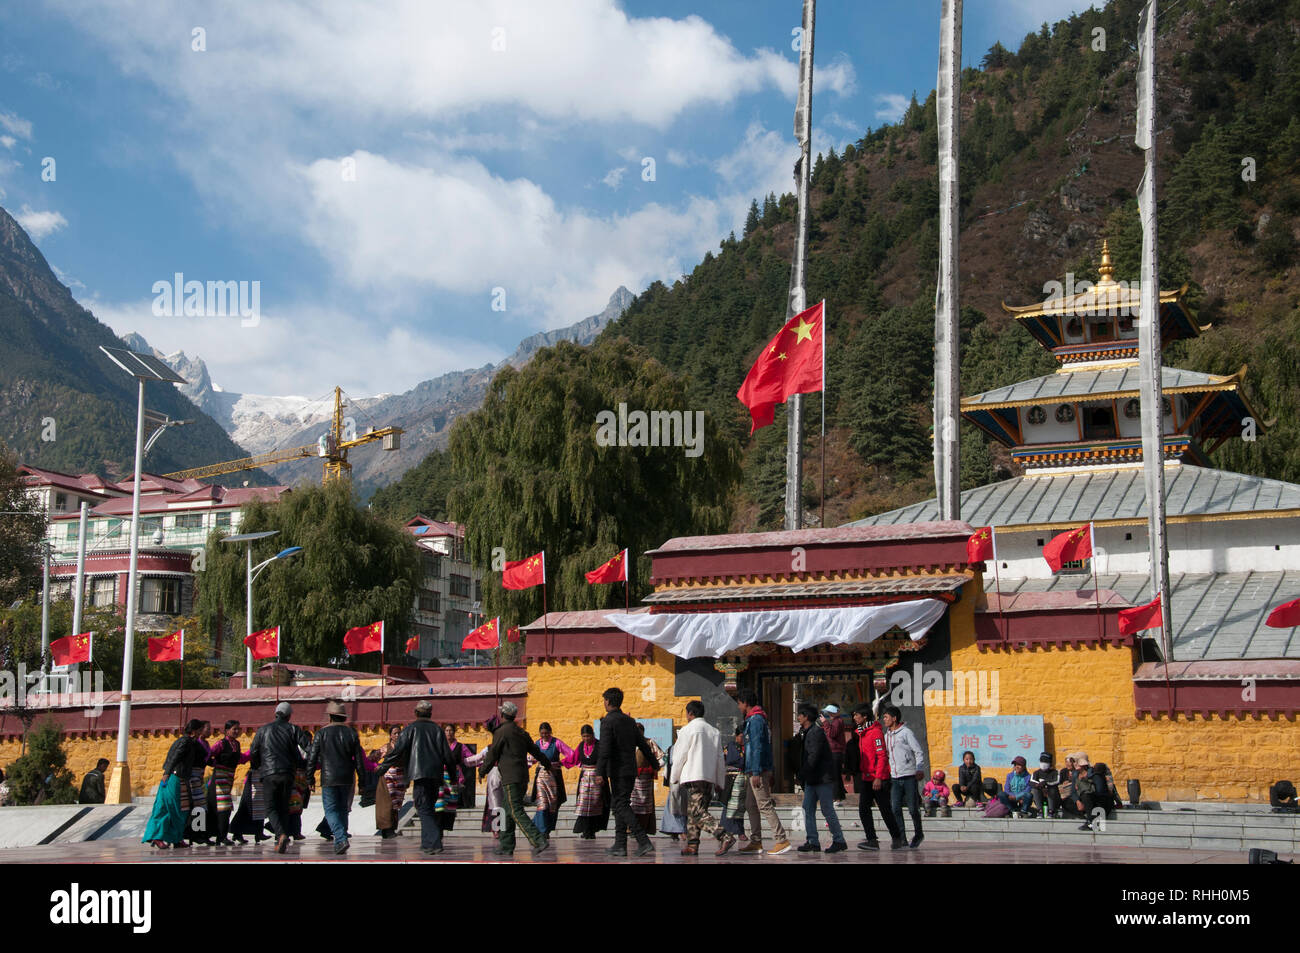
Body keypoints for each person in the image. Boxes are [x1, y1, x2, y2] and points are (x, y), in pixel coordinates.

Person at [380, 700, 455, 856]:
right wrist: (453, 778)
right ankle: (426, 843)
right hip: (435, 776)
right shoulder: (437, 730)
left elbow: (397, 751)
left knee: (423, 808)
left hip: (419, 775)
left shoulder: (410, 729)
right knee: (428, 807)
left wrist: (382, 767)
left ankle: (434, 841)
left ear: (415, 713)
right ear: (430, 713)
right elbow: (449, 757)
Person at [481, 701, 552, 856]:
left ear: (503, 715)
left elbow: (493, 754)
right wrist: (547, 763)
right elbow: (536, 751)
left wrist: (482, 770)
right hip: (522, 778)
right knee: (506, 812)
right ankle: (506, 845)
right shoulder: (522, 733)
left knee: (515, 810)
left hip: (510, 778)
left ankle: (538, 839)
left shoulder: (501, 732)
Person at [597, 686, 658, 857]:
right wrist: (654, 763)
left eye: (604, 700)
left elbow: (605, 749)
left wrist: (599, 772)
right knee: (619, 806)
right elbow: (643, 745)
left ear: (608, 701)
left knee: (621, 805)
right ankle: (620, 844)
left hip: (617, 771)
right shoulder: (629, 721)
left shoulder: (608, 722)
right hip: (631, 770)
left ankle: (643, 840)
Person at [668, 700, 733, 855]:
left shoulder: (687, 730)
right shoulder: (714, 731)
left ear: (690, 713)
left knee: (697, 813)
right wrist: (719, 780)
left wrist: (674, 777)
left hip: (693, 775)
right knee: (694, 810)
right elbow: (719, 758)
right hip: (708, 777)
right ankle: (692, 844)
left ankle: (724, 836)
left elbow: (680, 755)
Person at [306, 699, 366, 854]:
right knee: (342, 809)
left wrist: (310, 778)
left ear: (330, 716)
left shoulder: (321, 733)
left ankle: (340, 838)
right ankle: (341, 837)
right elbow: (359, 760)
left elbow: (312, 758)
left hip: (329, 778)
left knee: (331, 810)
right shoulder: (351, 733)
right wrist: (363, 781)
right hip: (347, 777)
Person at [736, 690, 791, 855]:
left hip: (757, 770)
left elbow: (756, 747)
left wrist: (756, 771)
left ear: (745, 703)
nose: (739, 707)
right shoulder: (754, 720)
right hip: (754, 769)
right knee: (750, 805)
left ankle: (781, 839)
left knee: (764, 804)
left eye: (739, 703)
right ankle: (756, 840)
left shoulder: (756, 720)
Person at [248, 701, 305, 854]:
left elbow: (253, 751)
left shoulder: (263, 730)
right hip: (287, 773)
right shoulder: (293, 729)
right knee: (284, 807)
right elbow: (308, 747)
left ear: (276, 714)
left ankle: (281, 834)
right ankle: (281, 837)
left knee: (271, 807)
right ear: (289, 716)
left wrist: (257, 766)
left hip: (269, 773)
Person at [794, 703, 848, 853]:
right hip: (812, 779)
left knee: (827, 809)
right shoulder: (806, 732)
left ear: (806, 717)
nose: (798, 717)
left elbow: (814, 756)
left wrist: (802, 774)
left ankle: (839, 840)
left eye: (800, 714)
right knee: (808, 808)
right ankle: (812, 840)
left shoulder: (816, 732)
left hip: (822, 778)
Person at [142, 719, 204, 849]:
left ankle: (176, 838)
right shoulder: (185, 742)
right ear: (194, 731)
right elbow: (175, 757)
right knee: (168, 808)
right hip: (174, 778)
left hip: (181, 779)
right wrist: (167, 773)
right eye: (199, 730)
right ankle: (157, 836)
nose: (201, 732)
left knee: (181, 810)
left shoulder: (191, 742)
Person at [851, 703, 902, 850]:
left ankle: (897, 837)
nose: (854, 718)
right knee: (863, 809)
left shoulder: (875, 732)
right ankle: (872, 840)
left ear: (865, 716)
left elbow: (881, 756)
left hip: (878, 778)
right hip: (866, 778)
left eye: (857, 715)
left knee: (885, 809)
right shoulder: (862, 732)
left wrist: (878, 777)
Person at [881, 704, 926, 850]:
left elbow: (918, 751)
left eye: (886, 717)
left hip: (909, 776)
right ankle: (902, 838)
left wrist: (919, 768)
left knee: (913, 808)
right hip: (894, 777)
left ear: (894, 718)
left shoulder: (906, 732)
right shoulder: (886, 736)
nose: (884, 719)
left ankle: (918, 834)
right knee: (895, 809)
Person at [528, 722, 573, 836]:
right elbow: (532, 759)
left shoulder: (556, 743)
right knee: (542, 803)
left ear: (550, 732)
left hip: (554, 776)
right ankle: (542, 829)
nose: (544, 736)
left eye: (546, 733)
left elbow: (571, 754)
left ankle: (544, 828)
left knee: (552, 803)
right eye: (542, 733)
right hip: (541, 776)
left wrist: (560, 763)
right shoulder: (537, 744)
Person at [207, 721, 245, 846]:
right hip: (218, 780)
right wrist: (215, 765)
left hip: (228, 779)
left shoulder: (237, 744)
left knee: (226, 809)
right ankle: (216, 836)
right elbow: (208, 755)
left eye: (238, 729)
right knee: (222, 809)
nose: (236, 731)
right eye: (234, 729)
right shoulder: (221, 744)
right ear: (227, 730)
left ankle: (222, 836)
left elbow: (239, 759)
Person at [570, 723, 610, 838]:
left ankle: (592, 829)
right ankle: (585, 829)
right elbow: (574, 758)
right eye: (584, 736)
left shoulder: (599, 745)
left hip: (597, 778)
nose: (586, 739)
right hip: (584, 779)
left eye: (588, 736)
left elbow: (604, 761)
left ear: (593, 735)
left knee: (595, 804)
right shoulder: (581, 746)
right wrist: (560, 764)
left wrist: (602, 775)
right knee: (583, 804)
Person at [373, 725, 409, 838]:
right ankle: (386, 829)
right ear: (390, 735)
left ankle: (391, 827)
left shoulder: (404, 747)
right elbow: (373, 758)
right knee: (386, 804)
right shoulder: (386, 748)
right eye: (395, 733)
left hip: (400, 778)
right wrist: (377, 768)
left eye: (399, 733)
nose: (397, 735)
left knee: (396, 804)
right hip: (387, 778)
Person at [631, 723, 662, 837]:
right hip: (631, 780)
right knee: (631, 804)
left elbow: (661, 758)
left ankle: (643, 828)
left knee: (644, 805)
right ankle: (632, 828)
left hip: (645, 779)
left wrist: (653, 768)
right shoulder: (628, 744)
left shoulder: (649, 743)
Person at [720, 727, 747, 838]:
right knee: (729, 805)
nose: (743, 739)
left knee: (740, 806)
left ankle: (740, 831)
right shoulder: (729, 747)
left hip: (743, 780)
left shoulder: (746, 748)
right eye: (741, 736)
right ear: (736, 736)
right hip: (731, 780)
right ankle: (724, 831)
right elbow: (728, 761)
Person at [820, 706, 848, 803]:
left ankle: (836, 798)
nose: (829, 715)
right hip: (836, 752)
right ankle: (839, 796)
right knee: (836, 775)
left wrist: (825, 722)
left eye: (830, 713)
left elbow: (832, 733)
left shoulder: (837, 721)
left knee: (834, 776)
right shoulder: (837, 721)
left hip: (835, 752)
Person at [1029, 751, 1061, 818]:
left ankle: (1051, 812)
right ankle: (1040, 811)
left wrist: (1046, 783)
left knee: (1052, 789)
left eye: (1046, 761)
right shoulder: (1036, 773)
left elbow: (1056, 781)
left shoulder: (1055, 772)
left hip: (1054, 798)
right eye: (1042, 761)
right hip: (1041, 797)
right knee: (1034, 790)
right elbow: (1032, 782)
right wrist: (1039, 785)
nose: (1043, 763)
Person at [1073, 752, 1100, 831]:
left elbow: (1095, 788)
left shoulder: (1092, 772)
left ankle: (1090, 821)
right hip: (1082, 798)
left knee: (1086, 795)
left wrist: (1086, 779)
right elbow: (1073, 791)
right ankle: (1087, 816)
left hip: (1093, 798)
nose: (1074, 764)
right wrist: (1077, 801)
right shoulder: (1075, 774)